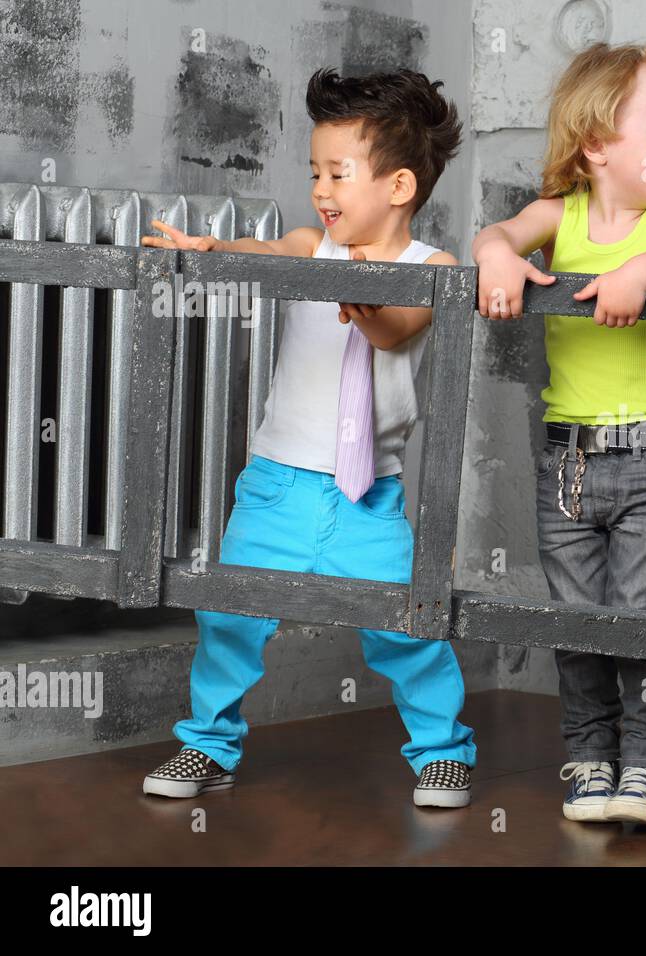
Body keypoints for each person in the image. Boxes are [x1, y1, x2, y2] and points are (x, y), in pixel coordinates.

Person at [140, 67, 476, 808]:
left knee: (407, 627)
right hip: (277, 483)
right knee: (229, 615)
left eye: (338, 174)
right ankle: (208, 745)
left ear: (398, 187)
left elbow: (393, 332)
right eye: (315, 172)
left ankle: (443, 754)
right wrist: (210, 249)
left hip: (367, 495)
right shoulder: (309, 246)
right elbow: (268, 259)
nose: (322, 190)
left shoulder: (434, 270)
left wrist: (365, 297)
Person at [472, 39, 646, 824]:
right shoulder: (561, 215)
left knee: (644, 624)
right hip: (569, 463)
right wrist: (498, 261)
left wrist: (643, 272)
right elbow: (498, 237)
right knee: (575, 623)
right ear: (596, 143)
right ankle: (589, 757)